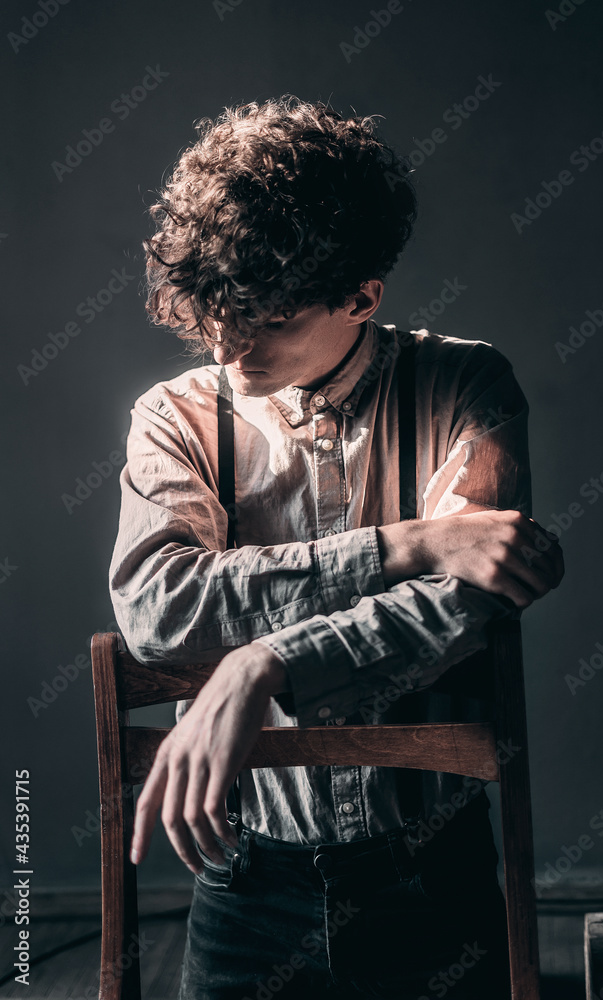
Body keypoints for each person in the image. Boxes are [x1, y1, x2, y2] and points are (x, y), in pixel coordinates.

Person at [109, 95, 564, 999]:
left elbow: (465, 601)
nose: (228, 347)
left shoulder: (465, 385)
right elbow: (159, 608)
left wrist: (265, 661)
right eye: (217, 310)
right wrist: (408, 543)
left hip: (432, 879)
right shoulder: (173, 417)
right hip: (241, 880)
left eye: (268, 318)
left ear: (360, 297)